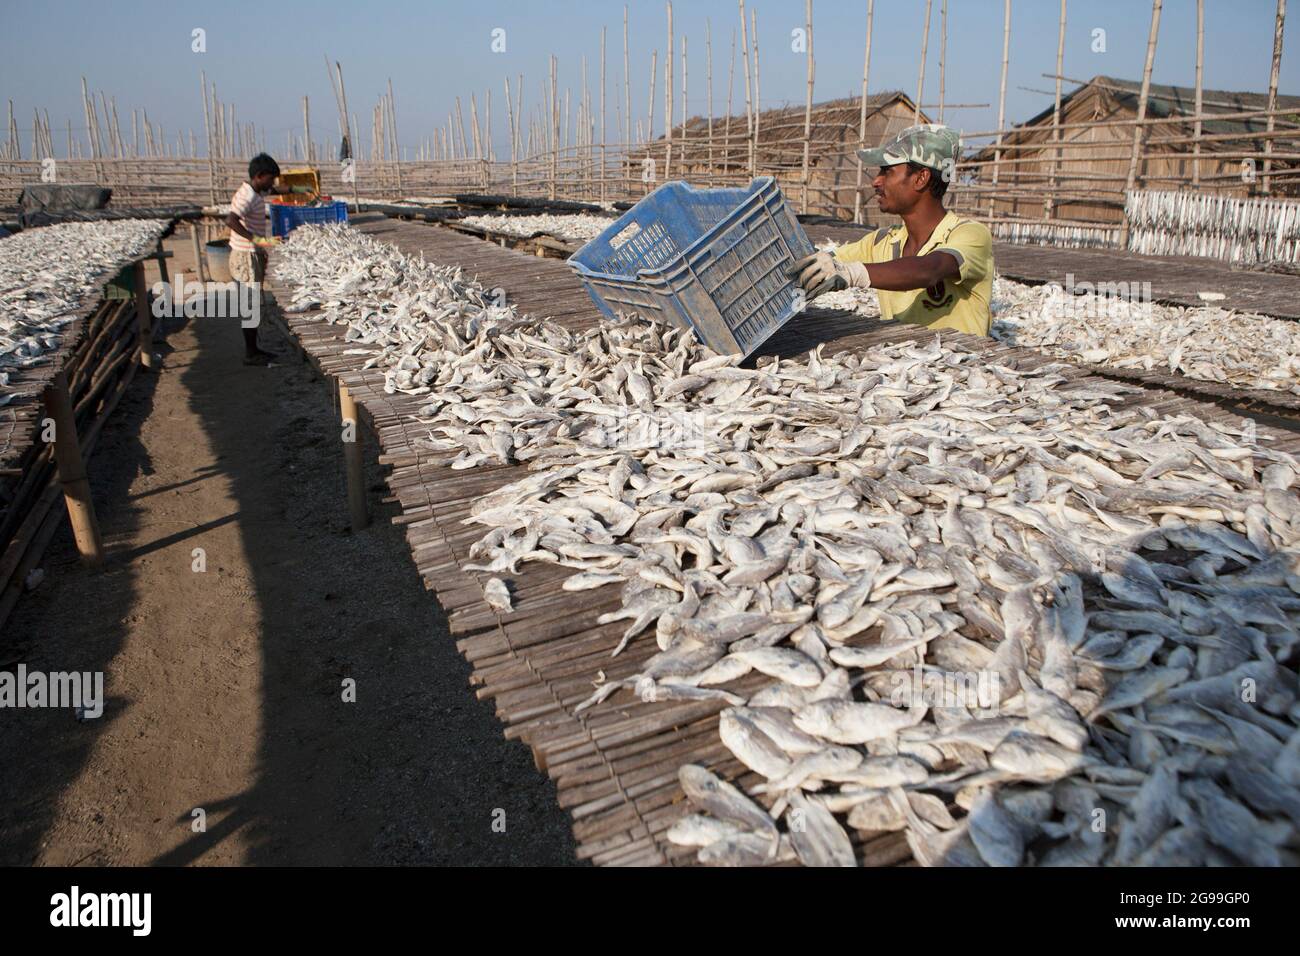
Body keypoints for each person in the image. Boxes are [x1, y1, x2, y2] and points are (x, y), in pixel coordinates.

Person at [787, 124, 994, 338]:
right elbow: (823, 264)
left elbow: (930, 270)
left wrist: (852, 273)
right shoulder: (882, 241)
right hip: (901, 360)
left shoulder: (970, 234)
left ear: (921, 178)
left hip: (958, 363)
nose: (876, 181)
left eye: (887, 171)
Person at [225, 153, 307, 364]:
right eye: (271, 178)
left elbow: (275, 190)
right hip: (245, 256)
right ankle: (251, 354)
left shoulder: (256, 191)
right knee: (249, 305)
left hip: (251, 253)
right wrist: (257, 240)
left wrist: (298, 190)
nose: (273, 183)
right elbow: (231, 220)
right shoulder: (248, 196)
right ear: (260, 176)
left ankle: (254, 349)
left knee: (252, 302)